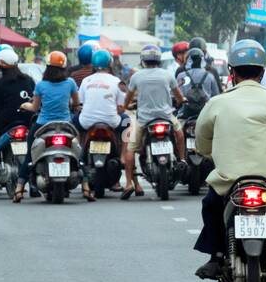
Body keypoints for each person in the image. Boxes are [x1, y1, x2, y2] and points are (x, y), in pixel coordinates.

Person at [192, 39, 266, 282]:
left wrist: (209, 152)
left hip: (228, 181)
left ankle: (216, 255)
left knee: (211, 205)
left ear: (232, 72)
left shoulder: (217, 103)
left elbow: (201, 143)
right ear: (262, 72)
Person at [12, 51, 81, 202]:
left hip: (43, 124)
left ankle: (19, 188)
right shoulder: (70, 83)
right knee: (77, 153)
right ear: (64, 67)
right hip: (66, 124)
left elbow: (35, 108)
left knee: (30, 155)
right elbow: (76, 104)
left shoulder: (41, 85)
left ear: (47, 67)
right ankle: (87, 187)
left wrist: (25, 104)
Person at [123, 44, 187, 198]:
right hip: (166, 117)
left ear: (143, 60)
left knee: (131, 149)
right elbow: (178, 96)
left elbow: (128, 97)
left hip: (144, 119)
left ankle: (128, 183)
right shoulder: (167, 75)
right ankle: (183, 159)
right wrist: (182, 100)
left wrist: (126, 106)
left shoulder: (136, 76)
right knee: (179, 133)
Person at [77, 49, 130, 199]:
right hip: (111, 121)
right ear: (110, 64)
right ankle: (122, 156)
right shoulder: (117, 81)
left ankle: (79, 150)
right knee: (127, 122)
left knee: (73, 123)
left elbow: (80, 103)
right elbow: (121, 107)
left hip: (87, 122)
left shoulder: (86, 81)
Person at [0, 47, 36, 179]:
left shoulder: (0, 83)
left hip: (8, 118)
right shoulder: (28, 79)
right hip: (28, 118)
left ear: (2, 65)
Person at [177, 47, 222, 117]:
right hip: (206, 113)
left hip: (185, 113)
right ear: (203, 59)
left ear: (188, 60)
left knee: (176, 127)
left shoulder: (181, 76)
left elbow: (176, 95)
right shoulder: (210, 76)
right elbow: (216, 96)